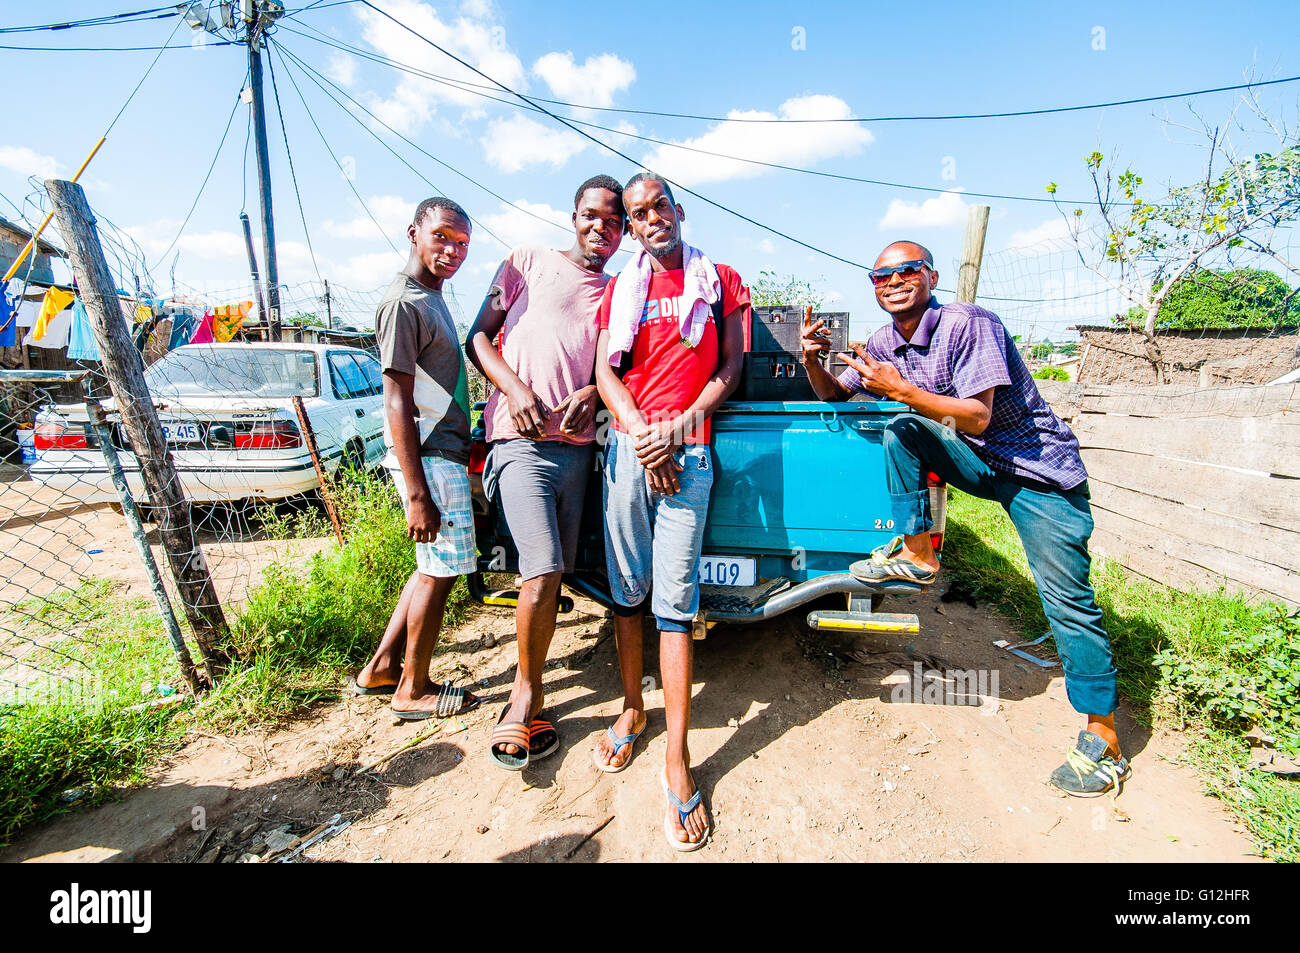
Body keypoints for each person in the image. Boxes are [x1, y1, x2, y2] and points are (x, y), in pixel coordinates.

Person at [801, 240, 1128, 797]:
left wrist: (901, 390)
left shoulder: (968, 323)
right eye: (880, 277)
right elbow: (840, 396)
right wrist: (813, 359)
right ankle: (919, 553)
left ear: (930, 276)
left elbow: (977, 416)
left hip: (1036, 472)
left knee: (1066, 600)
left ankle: (1103, 732)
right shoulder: (883, 340)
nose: (893, 282)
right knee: (900, 430)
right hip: (976, 464)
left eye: (906, 271)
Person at [592, 172, 749, 850]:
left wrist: (676, 429)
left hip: (691, 454)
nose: (651, 218)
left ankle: (676, 754)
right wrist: (639, 430)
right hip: (629, 450)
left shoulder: (724, 281)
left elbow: (730, 373)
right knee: (628, 592)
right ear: (630, 227)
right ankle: (633, 709)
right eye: (637, 213)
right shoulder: (621, 287)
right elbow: (606, 373)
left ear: (679, 211)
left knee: (675, 603)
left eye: (660, 206)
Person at [465, 174, 626, 771]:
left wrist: (593, 392)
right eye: (591, 215)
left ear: (623, 231)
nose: (600, 228)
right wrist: (515, 389)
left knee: (561, 567)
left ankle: (535, 682)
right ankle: (524, 696)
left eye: (613, 221)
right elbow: (477, 337)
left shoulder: (616, 290)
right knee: (542, 565)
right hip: (519, 441)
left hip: (578, 450)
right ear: (573, 214)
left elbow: (619, 370)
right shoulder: (525, 261)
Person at [351, 197, 482, 720]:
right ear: (414, 232)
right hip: (428, 456)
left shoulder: (431, 296)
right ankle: (413, 689)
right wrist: (417, 493)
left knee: (431, 566)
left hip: (442, 451)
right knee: (440, 573)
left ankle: (383, 665)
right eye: (443, 237)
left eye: (463, 243)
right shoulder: (405, 302)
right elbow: (395, 400)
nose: (452, 250)